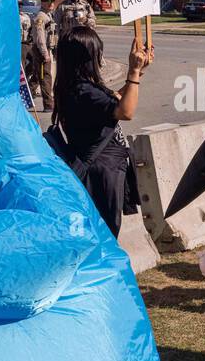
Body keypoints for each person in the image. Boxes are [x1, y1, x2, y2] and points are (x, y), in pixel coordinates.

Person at [50, 26, 152, 236]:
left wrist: (139, 72)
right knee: (105, 234)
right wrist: (132, 72)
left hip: (103, 171)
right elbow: (126, 111)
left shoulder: (76, 87)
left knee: (104, 231)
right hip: (100, 174)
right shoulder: (84, 91)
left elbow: (114, 98)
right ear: (86, 58)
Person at [28, 0, 58, 111]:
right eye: (48, 1)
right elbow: (40, 39)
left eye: (52, 1)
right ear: (43, 3)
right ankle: (48, 105)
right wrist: (45, 54)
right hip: (41, 50)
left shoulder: (48, 15)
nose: (51, 4)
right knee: (45, 76)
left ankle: (24, 99)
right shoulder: (41, 17)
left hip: (46, 48)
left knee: (37, 76)